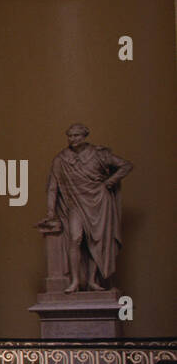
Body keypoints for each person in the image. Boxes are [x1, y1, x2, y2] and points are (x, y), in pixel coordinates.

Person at [36, 123, 132, 293]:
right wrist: (51, 212)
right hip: (76, 204)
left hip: (99, 202)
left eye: (76, 135)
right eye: (70, 136)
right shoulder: (61, 159)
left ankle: (92, 280)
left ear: (84, 136)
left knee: (96, 240)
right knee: (75, 238)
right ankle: (75, 281)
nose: (72, 139)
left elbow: (125, 165)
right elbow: (53, 187)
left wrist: (109, 182)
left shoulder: (99, 154)